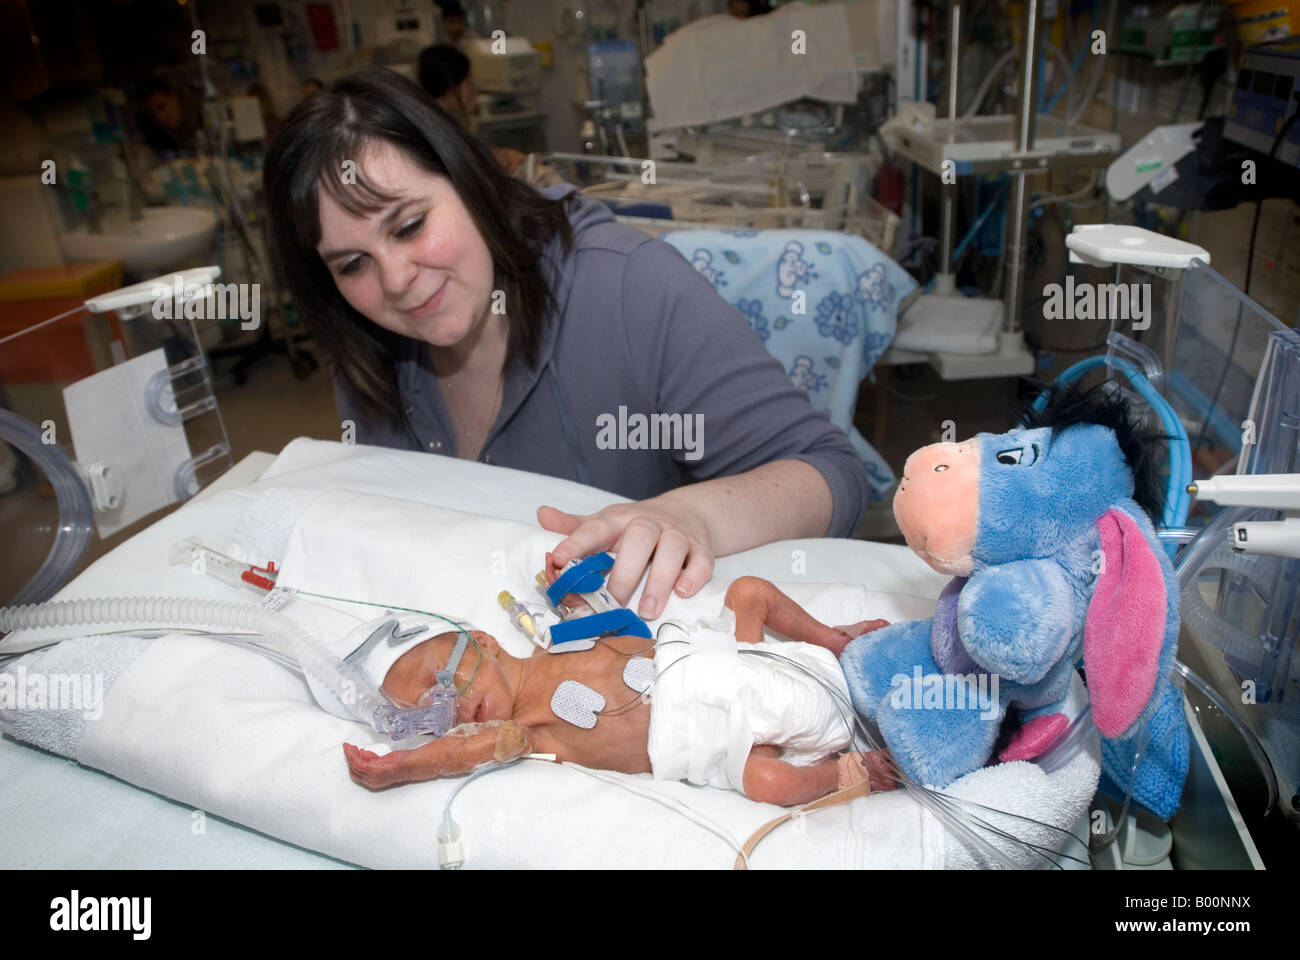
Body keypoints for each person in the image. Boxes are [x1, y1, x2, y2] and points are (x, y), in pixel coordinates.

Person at [262, 68, 870, 623]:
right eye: (352, 263)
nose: (394, 280)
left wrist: (693, 516)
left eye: (410, 225)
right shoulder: (368, 343)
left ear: (471, 182)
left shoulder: (627, 287)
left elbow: (831, 474)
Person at [342, 574, 897, 805]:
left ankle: (833, 638)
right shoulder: (526, 733)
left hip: (738, 657)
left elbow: (614, 616)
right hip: (725, 734)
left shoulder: (555, 642)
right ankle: (852, 773)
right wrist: (405, 766)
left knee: (749, 591)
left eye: (443, 680)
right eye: (433, 715)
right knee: (769, 783)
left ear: (481, 640)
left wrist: (566, 582)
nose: (452, 703)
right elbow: (471, 747)